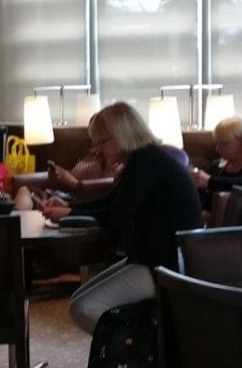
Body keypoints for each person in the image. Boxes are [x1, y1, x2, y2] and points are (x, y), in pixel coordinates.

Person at [41, 101, 204, 333]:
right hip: (156, 257)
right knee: (78, 299)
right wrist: (69, 207)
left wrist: (69, 213)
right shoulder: (145, 158)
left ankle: (141, 347)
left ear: (120, 135)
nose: (97, 150)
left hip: (165, 266)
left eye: (101, 142)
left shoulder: (146, 162)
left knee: (83, 308)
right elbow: (110, 202)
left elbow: (116, 216)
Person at [192, 113, 242, 201]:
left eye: (224, 143)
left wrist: (210, 182)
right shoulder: (217, 166)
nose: (217, 148)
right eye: (218, 143)